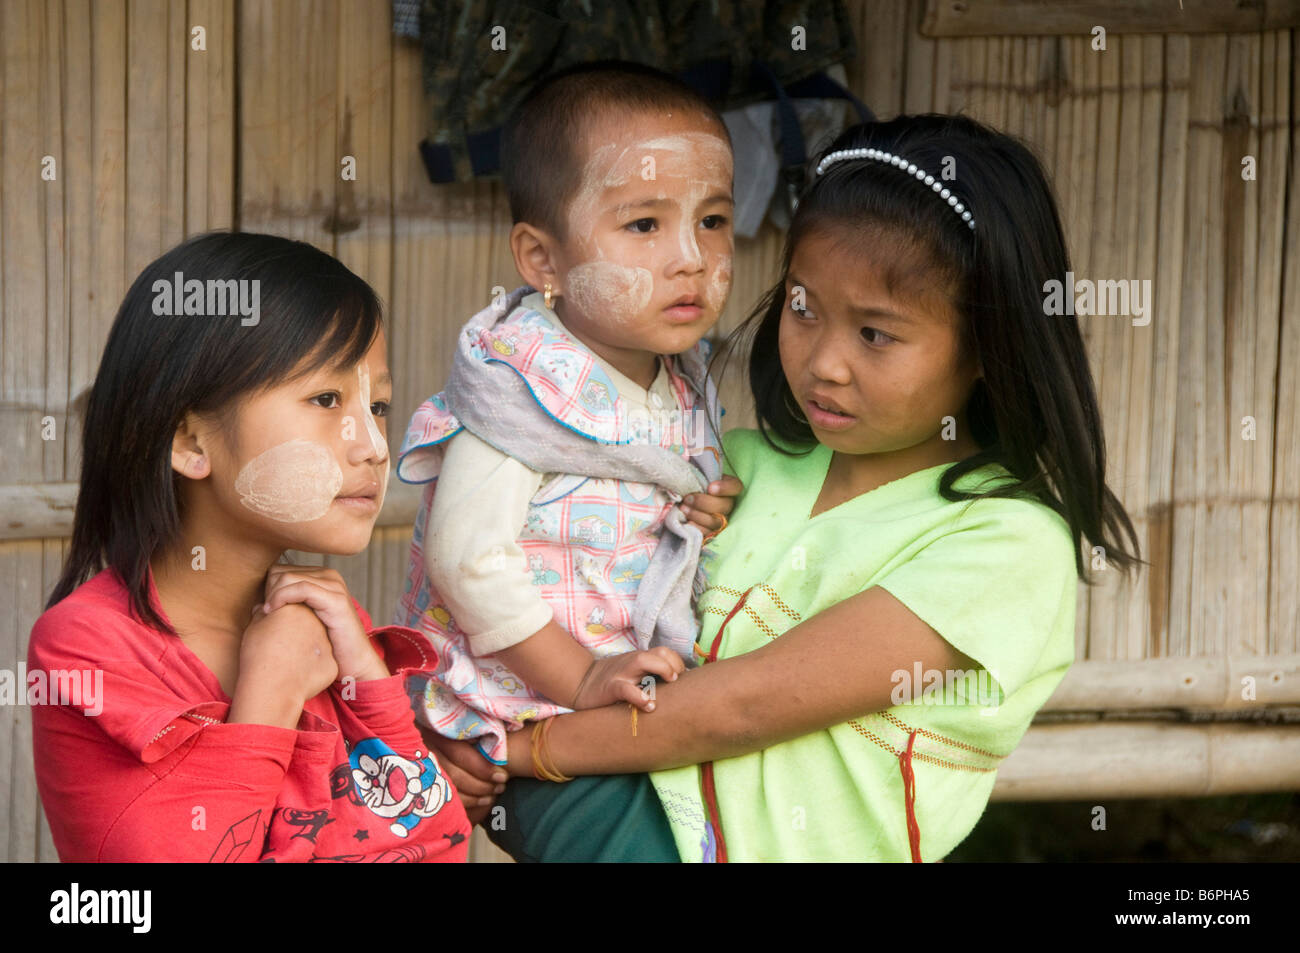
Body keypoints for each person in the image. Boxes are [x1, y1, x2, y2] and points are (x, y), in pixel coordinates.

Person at [486, 113, 1144, 861]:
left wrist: (514, 752)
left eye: (876, 333)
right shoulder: (734, 463)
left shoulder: (1005, 544)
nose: (824, 361)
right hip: (624, 809)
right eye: (803, 306)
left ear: (990, 344)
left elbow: (743, 705)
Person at [29, 232, 471, 862]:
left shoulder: (329, 626)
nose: (373, 443)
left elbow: (436, 843)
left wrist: (371, 683)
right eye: (326, 399)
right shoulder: (88, 649)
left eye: (378, 406)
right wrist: (271, 694)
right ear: (189, 441)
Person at [393, 62, 743, 853]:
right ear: (542, 260)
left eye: (714, 220)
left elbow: (659, 490)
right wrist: (581, 676)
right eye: (645, 226)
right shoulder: (519, 389)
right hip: (528, 716)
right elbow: (467, 557)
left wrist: (702, 505)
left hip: (635, 711)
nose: (691, 257)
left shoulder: (679, 373)